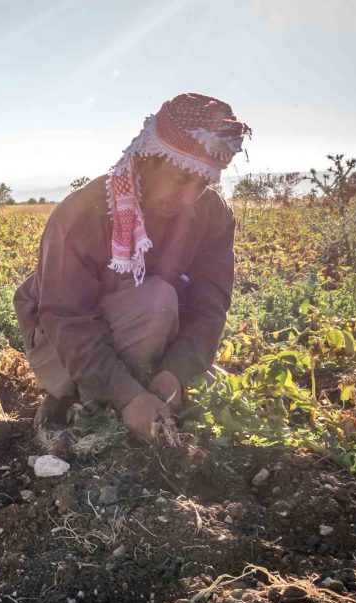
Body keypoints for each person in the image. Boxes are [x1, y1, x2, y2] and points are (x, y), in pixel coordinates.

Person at [14, 93, 251, 441]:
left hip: (148, 333)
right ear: (148, 160)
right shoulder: (81, 213)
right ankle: (88, 396)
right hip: (61, 342)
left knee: (218, 391)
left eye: (202, 184)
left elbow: (209, 307)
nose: (190, 196)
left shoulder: (212, 215)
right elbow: (65, 317)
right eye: (182, 179)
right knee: (154, 301)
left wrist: (175, 372)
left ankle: (149, 381)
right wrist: (127, 396)